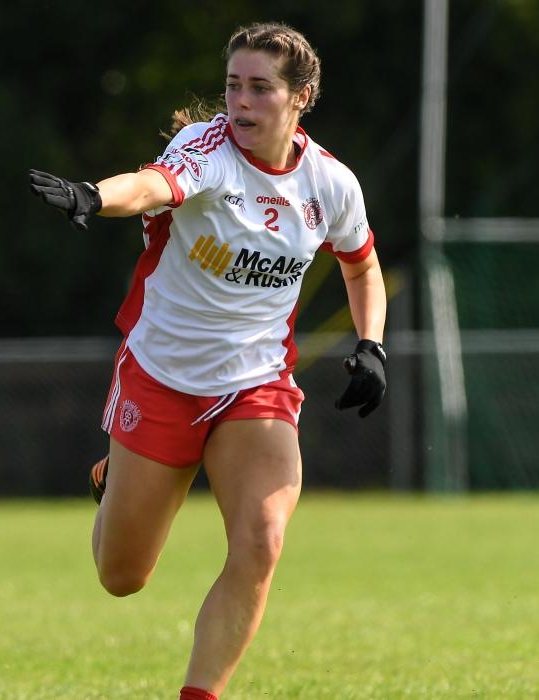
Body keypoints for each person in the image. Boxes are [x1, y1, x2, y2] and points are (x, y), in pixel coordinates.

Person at [29, 22, 385, 700]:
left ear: (301, 97)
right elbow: (150, 186)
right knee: (121, 576)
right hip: (162, 377)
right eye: (232, 87)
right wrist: (91, 197)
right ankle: (117, 474)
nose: (240, 104)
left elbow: (361, 266)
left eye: (259, 89)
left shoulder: (330, 184)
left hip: (255, 385)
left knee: (262, 539)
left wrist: (372, 344)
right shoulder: (206, 150)